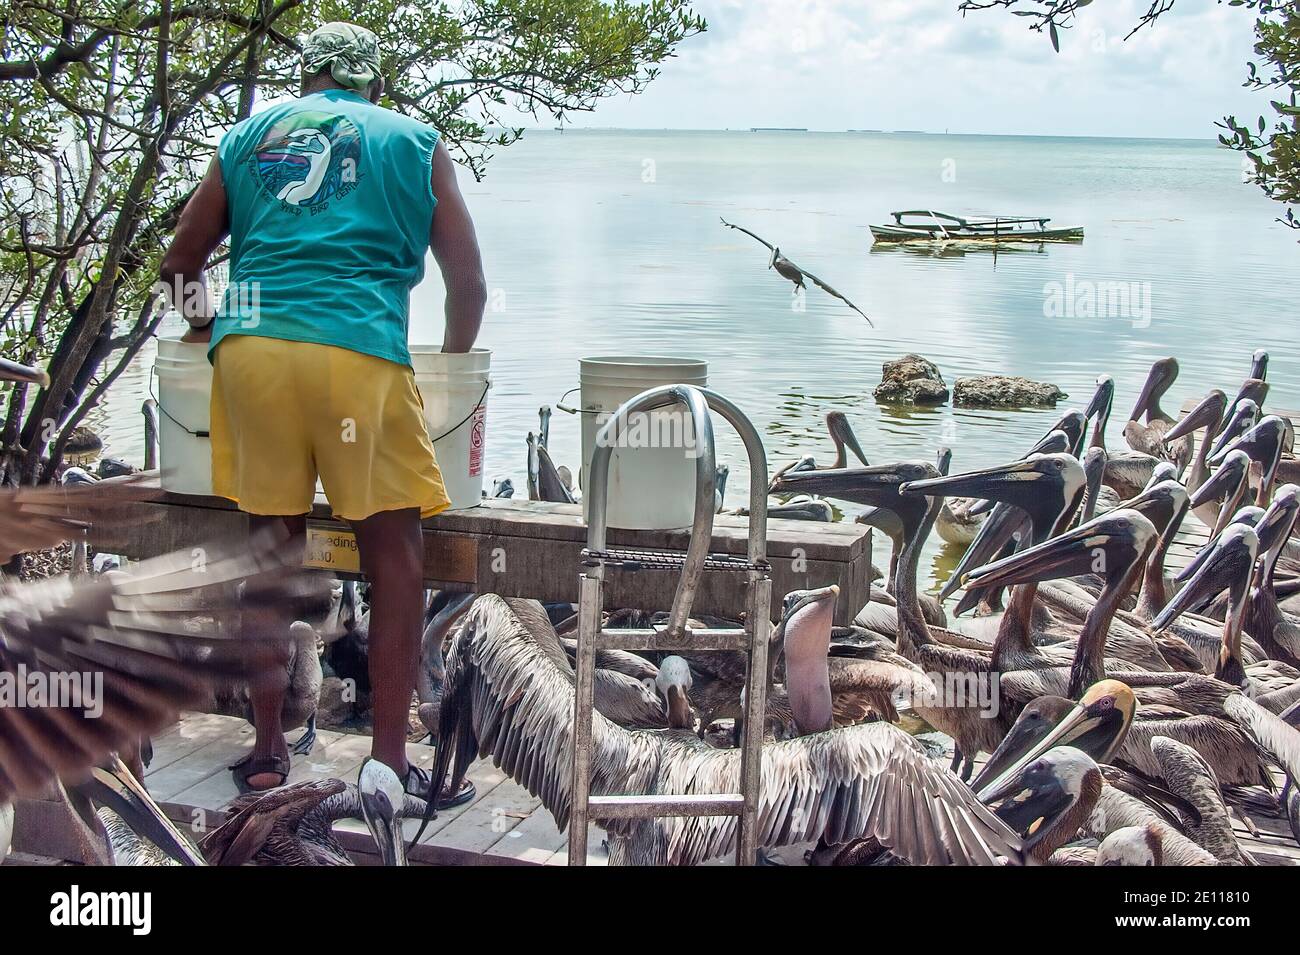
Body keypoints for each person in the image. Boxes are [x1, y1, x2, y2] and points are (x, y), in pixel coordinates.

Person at [160, 22, 486, 800]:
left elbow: (178, 268)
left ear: (307, 80)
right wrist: (447, 363)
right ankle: (387, 760)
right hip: (357, 355)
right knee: (398, 557)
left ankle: (269, 751)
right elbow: (467, 284)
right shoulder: (412, 139)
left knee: (270, 557)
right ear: (372, 83)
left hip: (253, 360)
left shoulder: (245, 136)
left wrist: (217, 330)